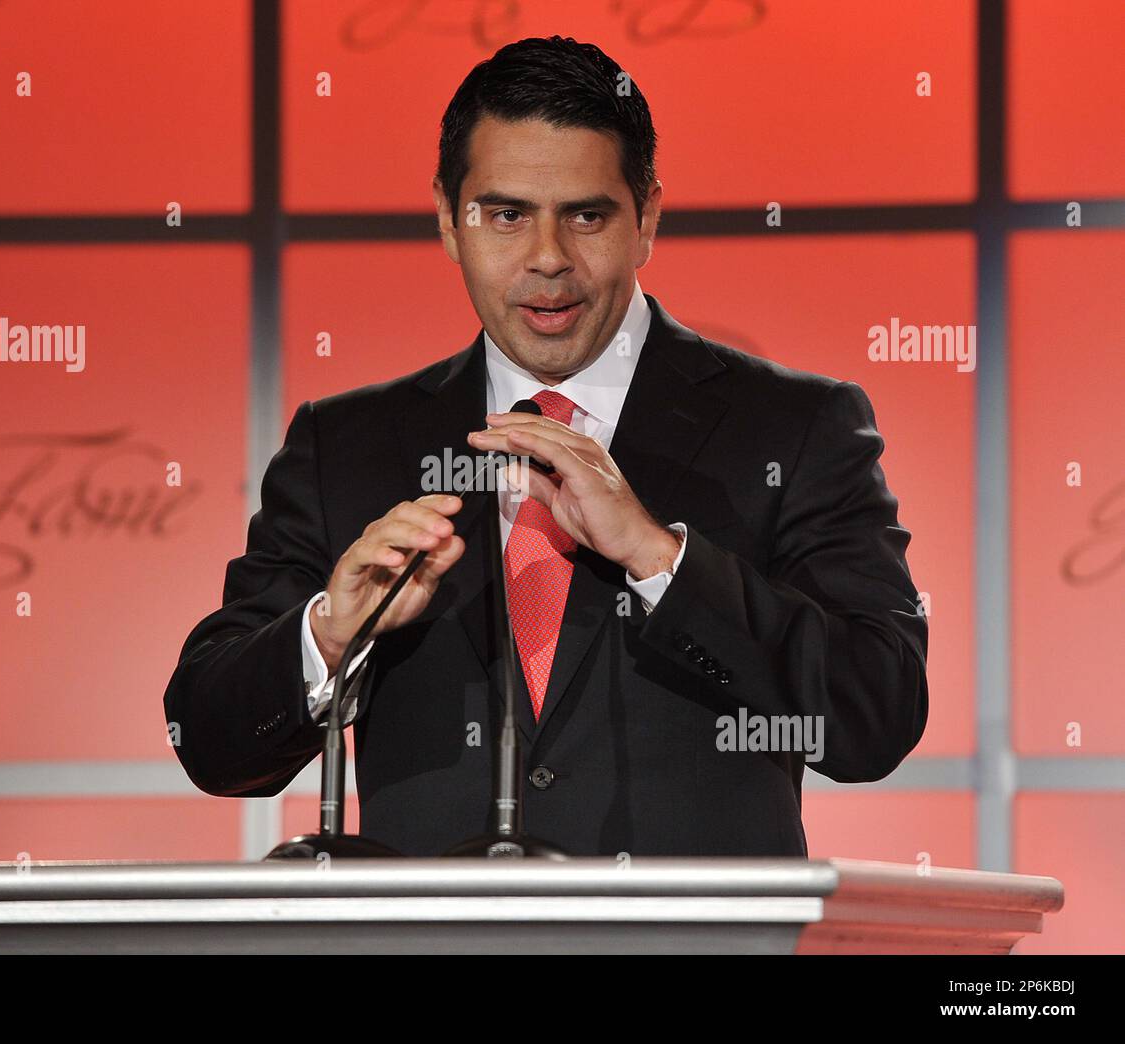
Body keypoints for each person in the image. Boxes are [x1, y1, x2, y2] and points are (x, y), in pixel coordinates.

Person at [163, 35, 928, 857]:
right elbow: (211, 742)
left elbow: (871, 715)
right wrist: (327, 636)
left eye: (587, 216)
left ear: (648, 220)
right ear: (449, 223)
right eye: (505, 215)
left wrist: (659, 557)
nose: (548, 259)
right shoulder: (343, 446)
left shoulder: (794, 426)